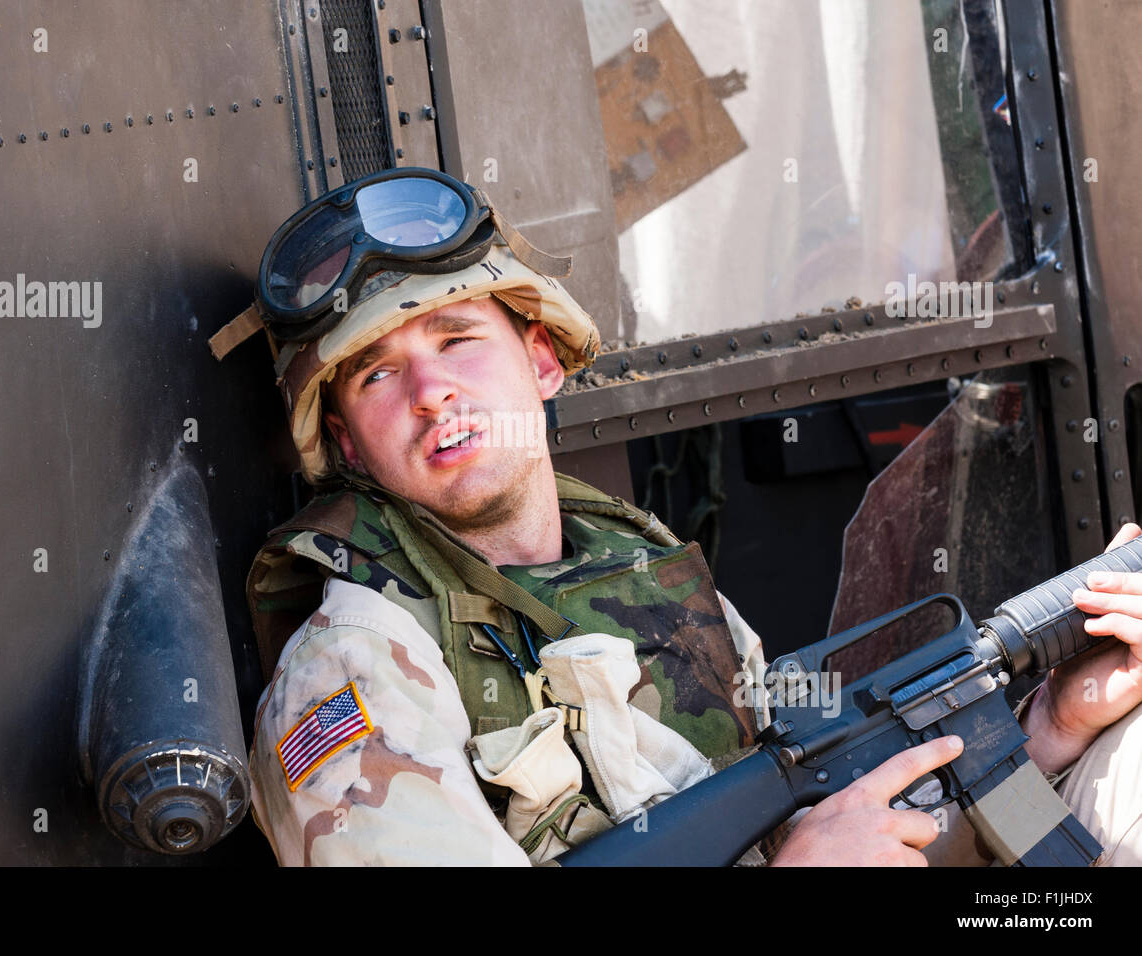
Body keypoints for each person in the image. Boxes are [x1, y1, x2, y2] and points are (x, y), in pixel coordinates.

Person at [212, 168, 1142, 866]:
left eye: (459, 339)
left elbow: (866, 832)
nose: (431, 392)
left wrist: (1042, 727)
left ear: (541, 363)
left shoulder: (634, 562)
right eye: (379, 374)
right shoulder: (357, 663)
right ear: (343, 442)